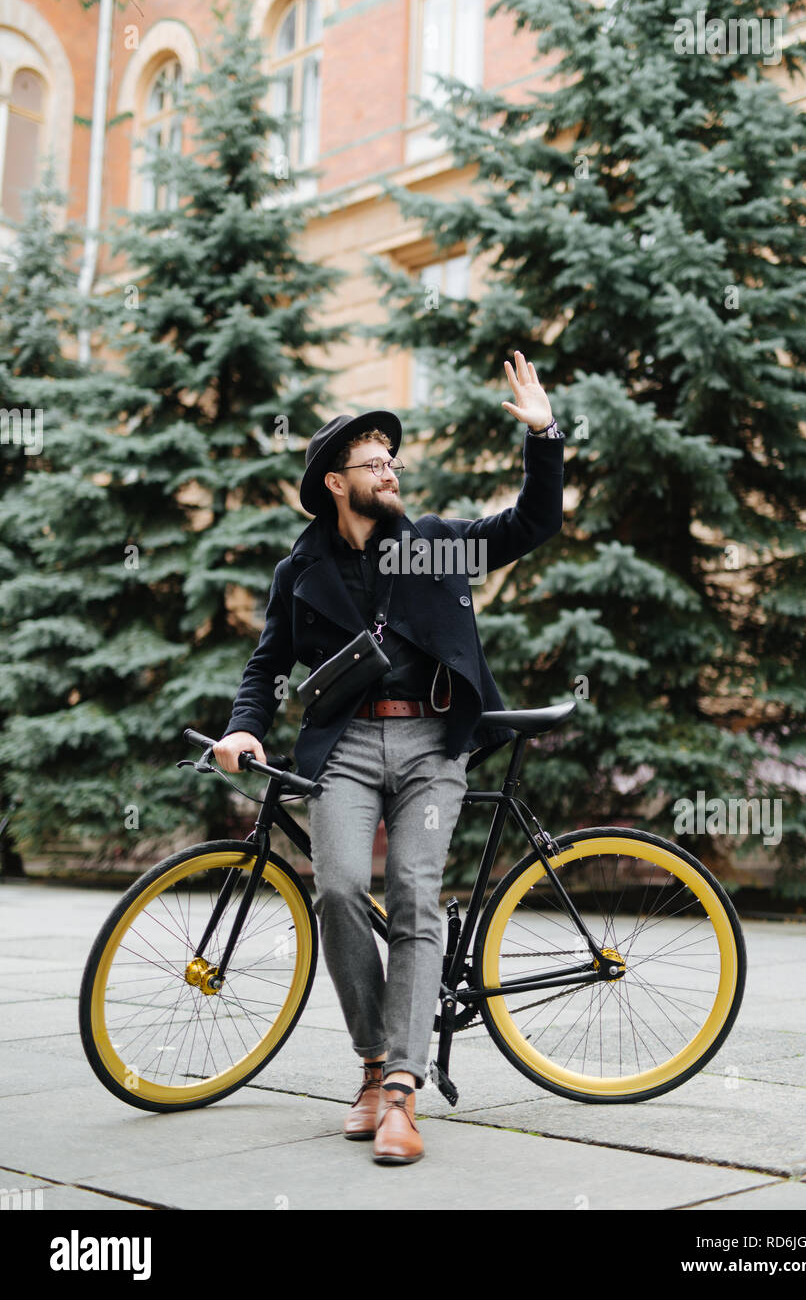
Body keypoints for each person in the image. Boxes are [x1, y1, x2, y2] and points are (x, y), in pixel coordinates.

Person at [214, 351, 564, 1164]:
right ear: (335, 482)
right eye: (373, 461)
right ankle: (371, 1064)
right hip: (342, 748)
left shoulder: (432, 546)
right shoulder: (298, 571)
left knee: (413, 895)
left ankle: (401, 1091)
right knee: (336, 889)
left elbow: (530, 525)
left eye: (391, 458)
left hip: (431, 745)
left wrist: (543, 433)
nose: (390, 469)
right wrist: (243, 727)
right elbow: (267, 666)